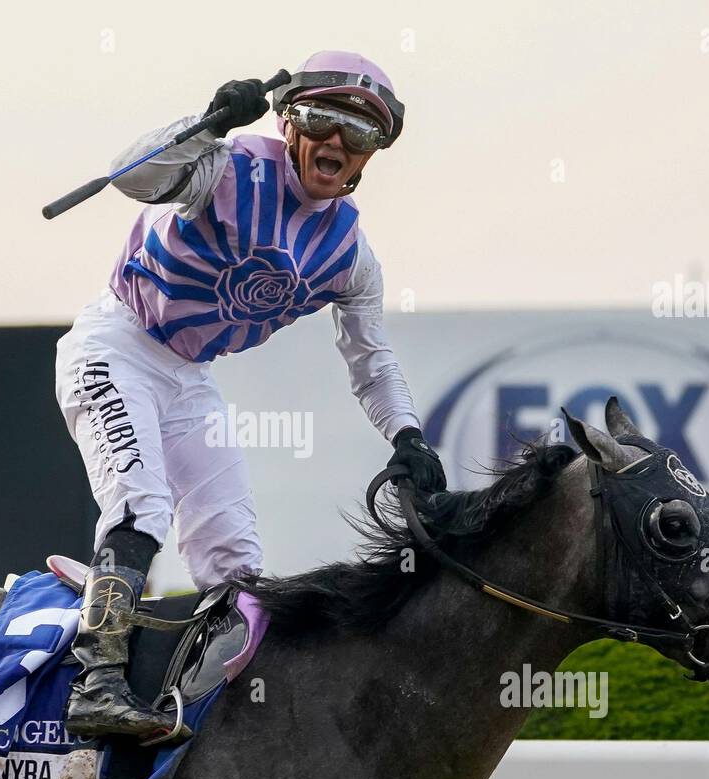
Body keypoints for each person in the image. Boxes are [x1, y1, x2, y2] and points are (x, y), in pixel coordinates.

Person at [56, 50, 447, 739]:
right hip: (116, 343)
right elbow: (130, 176)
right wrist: (204, 125)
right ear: (288, 122)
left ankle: (214, 705)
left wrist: (408, 435)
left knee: (234, 559)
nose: (336, 142)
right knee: (140, 506)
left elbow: (372, 360)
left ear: (370, 158)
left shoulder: (351, 258)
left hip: (190, 377)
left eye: (359, 133)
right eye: (322, 118)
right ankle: (98, 682)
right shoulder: (226, 167)